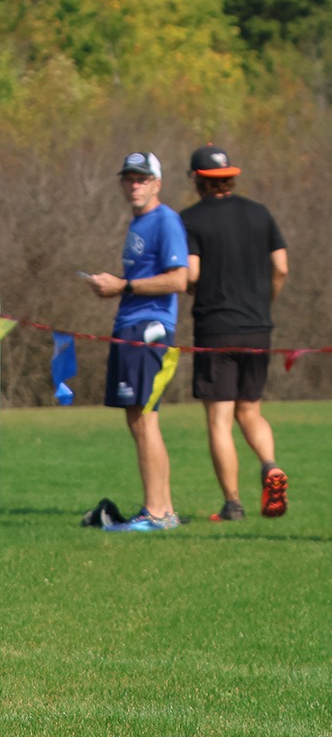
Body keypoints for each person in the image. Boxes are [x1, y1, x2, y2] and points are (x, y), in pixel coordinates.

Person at [181, 144, 290, 521]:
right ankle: (270, 465)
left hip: (216, 329)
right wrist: (264, 304)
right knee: (251, 410)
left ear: (197, 179)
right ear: (230, 176)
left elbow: (191, 273)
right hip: (258, 326)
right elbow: (281, 267)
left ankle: (233, 504)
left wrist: (190, 284)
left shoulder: (190, 219)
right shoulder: (260, 214)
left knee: (219, 419)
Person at [84, 152, 190, 532]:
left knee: (144, 420)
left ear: (157, 183)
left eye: (142, 178)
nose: (135, 184)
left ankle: (156, 513)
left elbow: (180, 280)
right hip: (129, 324)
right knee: (141, 420)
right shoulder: (139, 223)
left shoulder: (166, 221)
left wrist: (123, 285)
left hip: (148, 329)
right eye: (129, 178)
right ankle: (164, 510)